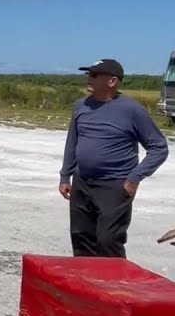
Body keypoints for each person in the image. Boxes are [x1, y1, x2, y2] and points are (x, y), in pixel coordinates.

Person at [58, 58, 169, 257]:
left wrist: (134, 179)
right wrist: (65, 176)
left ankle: (115, 287)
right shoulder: (81, 106)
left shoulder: (132, 110)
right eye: (88, 74)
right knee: (81, 238)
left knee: (108, 240)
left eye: (94, 75)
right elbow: (72, 142)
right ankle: (86, 284)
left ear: (112, 81)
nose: (88, 79)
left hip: (114, 185)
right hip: (82, 183)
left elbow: (159, 148)